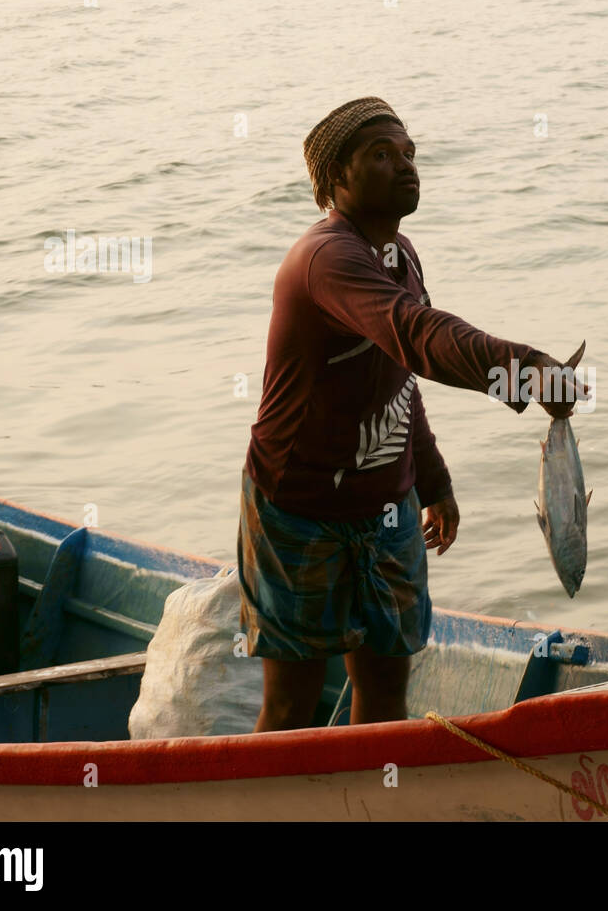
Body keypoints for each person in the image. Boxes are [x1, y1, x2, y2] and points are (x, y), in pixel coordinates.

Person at [238, 97, 586, 731]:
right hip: (300, 509)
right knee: (290, 704)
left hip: (387, 508)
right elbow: (418, 333)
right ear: (336, 178)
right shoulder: (326, 259)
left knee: (386, 695)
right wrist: (528, 368)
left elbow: (396, 371)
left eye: (409, 154)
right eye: (381, 155)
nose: (405, 166)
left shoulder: (400, 254)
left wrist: (433, 481)